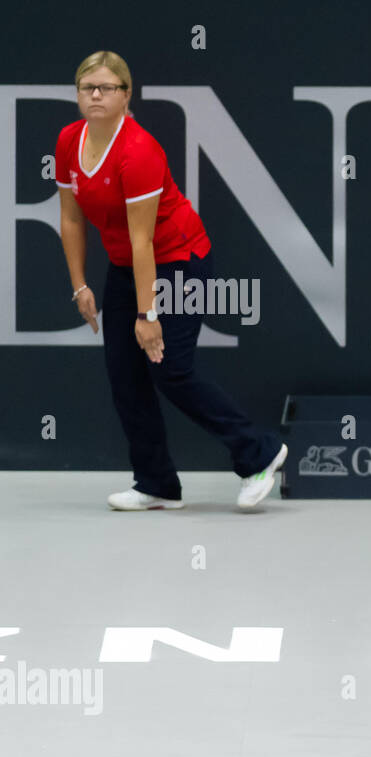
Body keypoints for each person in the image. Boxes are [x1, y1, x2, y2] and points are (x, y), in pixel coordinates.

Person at [56, 50, 285, 511]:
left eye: (107, 88)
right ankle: (156, 483)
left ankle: (258, 454)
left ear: (126, 94)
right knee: (124, 375)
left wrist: (148, 314)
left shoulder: (138, 150)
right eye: (87, 88)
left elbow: (144, 241)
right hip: (126, 266)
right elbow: (72, 219)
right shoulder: (68, 141)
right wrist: (80, 285)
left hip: (179, 260)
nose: (96, 95)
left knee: (170, 369)